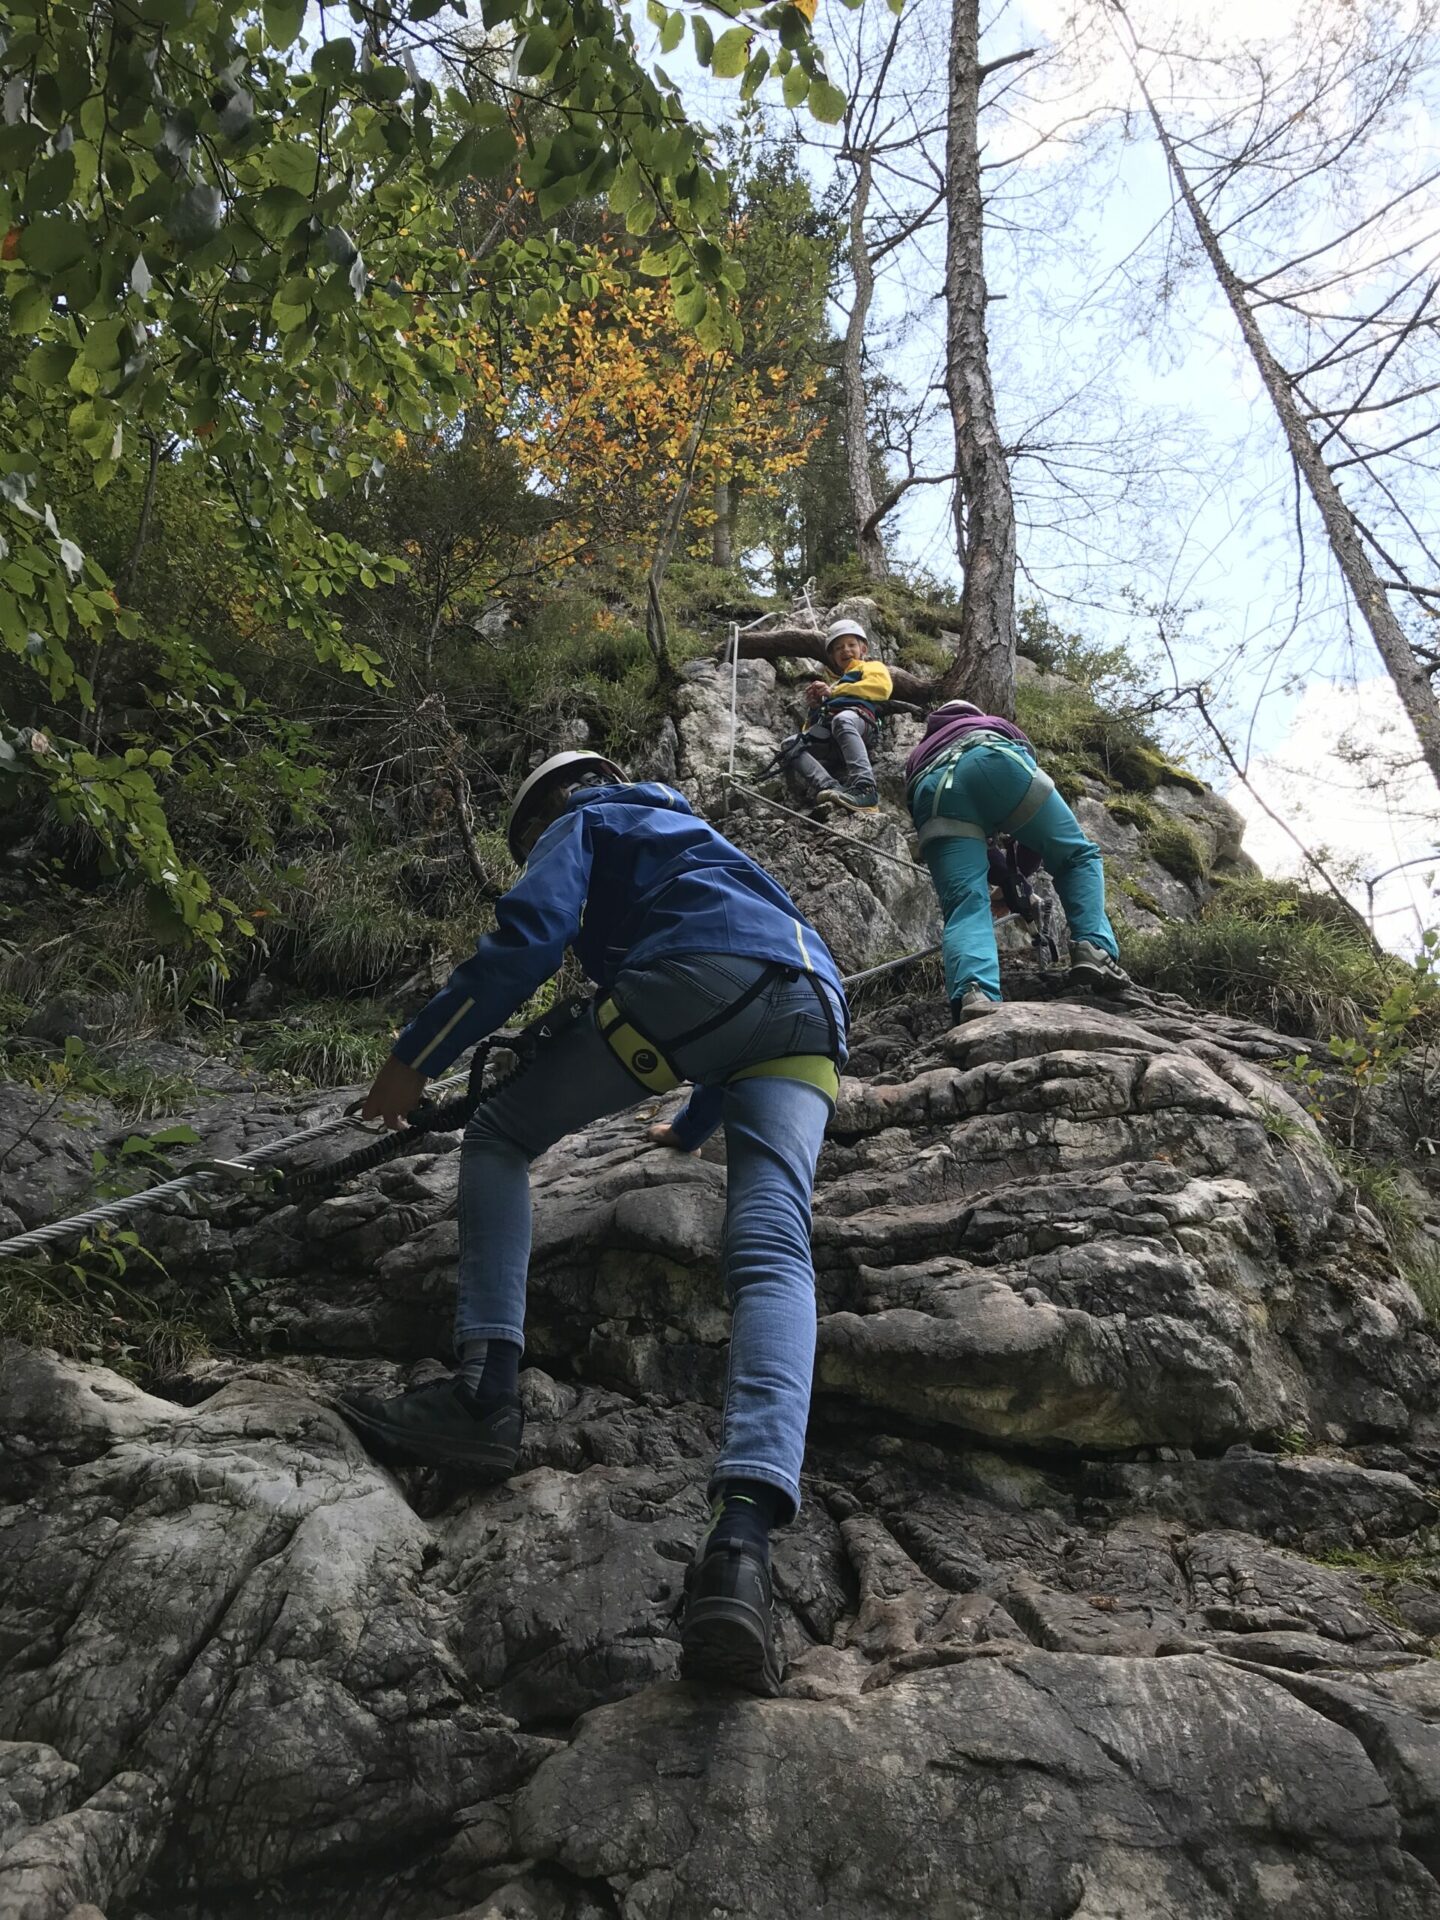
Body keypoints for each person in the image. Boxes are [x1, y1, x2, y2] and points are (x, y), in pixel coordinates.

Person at [340, 750, 849, 1698]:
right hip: (814, 1005)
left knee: (496, 1135)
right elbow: (753, 990)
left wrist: (417, 1058)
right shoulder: (710, 844)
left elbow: (531, 934)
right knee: (775, 1249)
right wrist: (694, 1126)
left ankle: (485, 1393)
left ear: (549, 810)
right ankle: (740, 1544)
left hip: (693, 983)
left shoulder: (593, 817)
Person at [905, 700, 1130, 1018]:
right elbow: (1034, 834)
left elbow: (980, 853)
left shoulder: (919, 752)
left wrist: (1009, 882)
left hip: (930, 789)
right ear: (974, 714)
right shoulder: (992, 722)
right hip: (994, 756)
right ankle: (1094, 948)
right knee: (1075, 855)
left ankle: (976, 993)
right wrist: (1020, 876)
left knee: (965, 903)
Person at [780, 617, 893, 815]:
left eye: (851, 645)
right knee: (790, 744)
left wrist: (834, 692)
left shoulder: (870, 668)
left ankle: (866, 789)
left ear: (863, 649)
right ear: (833, 655)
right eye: (839, 648)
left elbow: (882, 688)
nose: (846, 650)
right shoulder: (835, 685)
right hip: (834, 736)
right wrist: (816, 708)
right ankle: (830, 787)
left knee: (843, 719)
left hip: (859, 723)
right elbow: (811, 730)